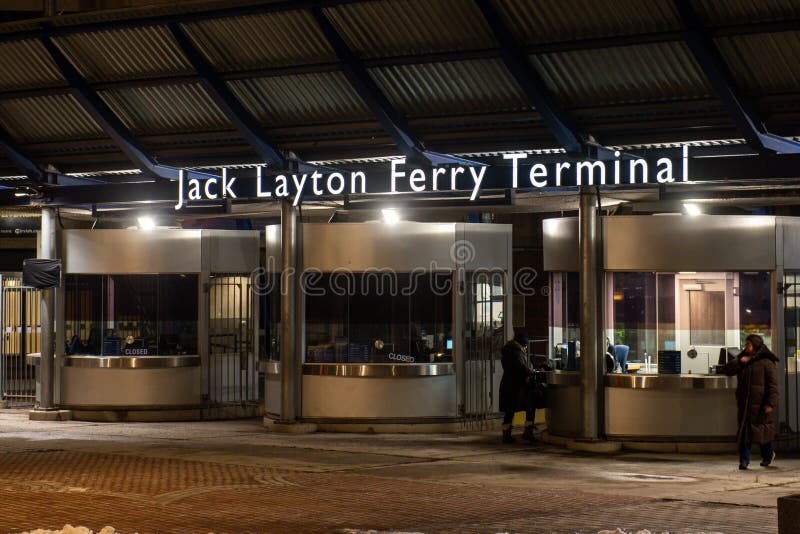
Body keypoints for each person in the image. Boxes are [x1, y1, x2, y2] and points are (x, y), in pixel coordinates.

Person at [722, 334, 779, 470]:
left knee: (761, 433)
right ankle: (744, 461)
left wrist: (770, 403)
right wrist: (740, 361)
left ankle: (768, 455)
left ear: (756, 345)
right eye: (746, 344)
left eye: (748, 344)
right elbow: (727, 370)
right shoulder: (743, 359)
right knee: (744, 433)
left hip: (760, 406)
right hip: (745, 404)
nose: (746, 347)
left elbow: (773, 386)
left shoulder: (767, 362)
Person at [499, 331, 537, 443]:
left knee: (509, 411)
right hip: (518, 387)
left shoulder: (507, 351)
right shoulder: (517, 353)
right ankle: (528, 432)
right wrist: (533, 372)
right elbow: (522, 368)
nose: (526, 348)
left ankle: (506, 435)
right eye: (525, 345)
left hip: (508, 385)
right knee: (531, 406)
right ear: (522, 343)